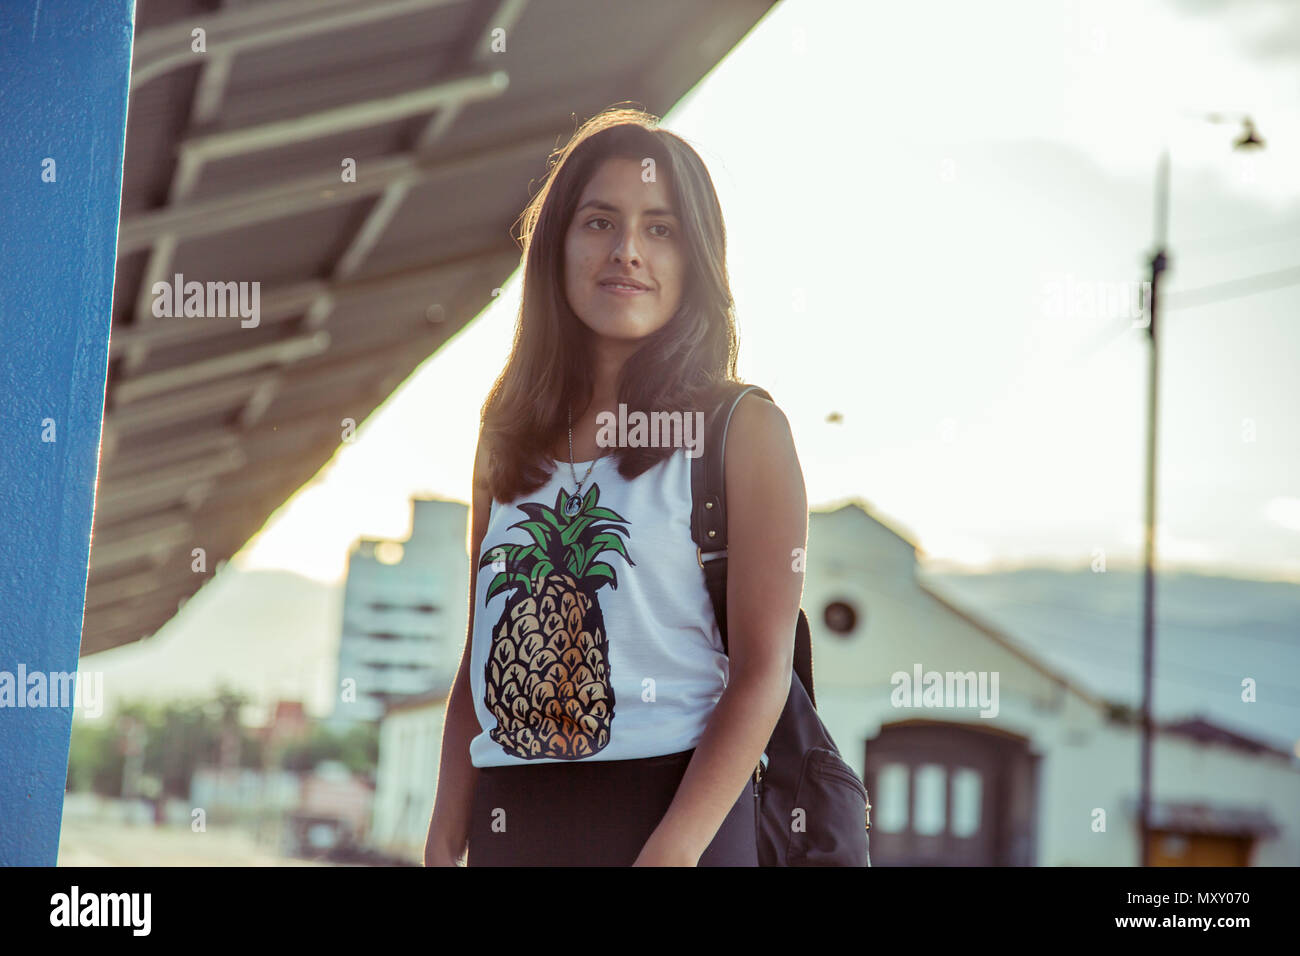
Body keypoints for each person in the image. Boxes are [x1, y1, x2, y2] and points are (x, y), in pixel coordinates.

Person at [423, 106, 807, 866]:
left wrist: (672, 851)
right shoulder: (507, 431)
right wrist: (442, 841)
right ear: (558, 244)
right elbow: (479, 659)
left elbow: (765, 672)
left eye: (660, 229)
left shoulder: (744, 430)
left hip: (674, 819)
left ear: (695, 258)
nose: (627, 251)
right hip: (515, 822)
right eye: (599, 222)